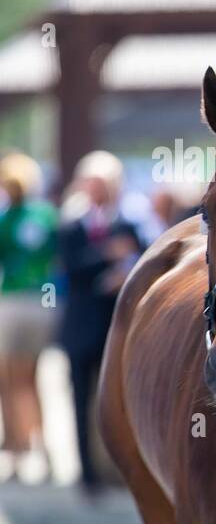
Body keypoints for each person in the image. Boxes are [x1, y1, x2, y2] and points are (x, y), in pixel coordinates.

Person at [56, 150, 145, 495]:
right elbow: (70, 269)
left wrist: (125, 274)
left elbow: (148, 256)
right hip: (80, 325)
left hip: (116, 324)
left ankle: (118, 468)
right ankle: (87, 473)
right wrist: (107, 257)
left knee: (117, 398)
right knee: (80, 398)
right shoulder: (71, 223)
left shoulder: (128, 221)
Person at [0, 153, 59, 482]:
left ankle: (22, 450)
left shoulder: (6, 219)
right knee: (33, 379)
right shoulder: (47, 215)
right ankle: (42, 449)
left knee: (12, 381)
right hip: (45, 301)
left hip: (13, 300)